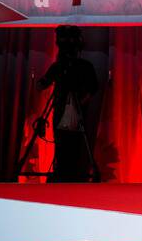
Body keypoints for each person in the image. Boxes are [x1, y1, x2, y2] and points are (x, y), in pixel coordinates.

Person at [37, 25, 99, 183]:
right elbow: (43, 83)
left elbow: (93, 88)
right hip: (60, 109)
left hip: (76, 112)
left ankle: (72, 175)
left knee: (74, 145)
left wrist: (79, 104)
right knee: (61, 143)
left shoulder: (83, 66)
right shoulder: (59, 67)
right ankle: (63, 173)